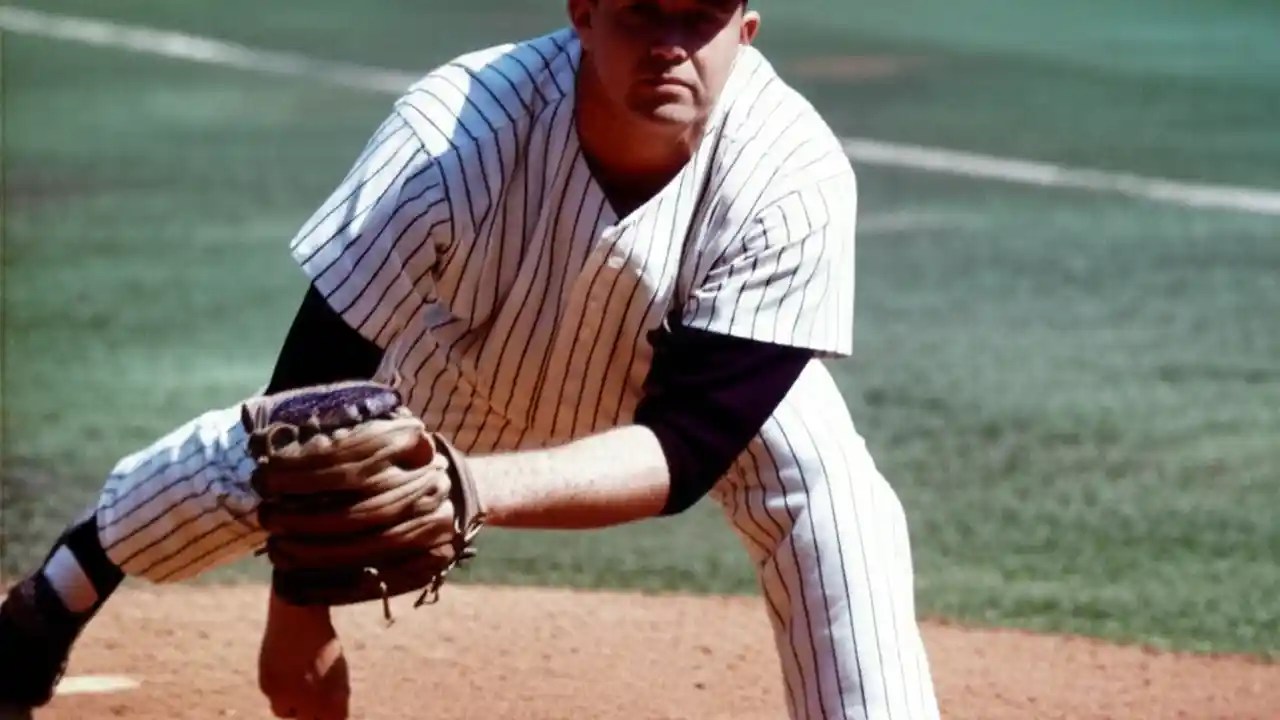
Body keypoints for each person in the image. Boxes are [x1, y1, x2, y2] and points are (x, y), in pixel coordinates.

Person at [0, 1, 941, 718]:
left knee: (830, 483)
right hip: (437, 384)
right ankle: (56, 595)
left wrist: (476, 489)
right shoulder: (454, 130)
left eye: (700, 14)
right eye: (642, 10)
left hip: (660, 398)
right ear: (581, 9)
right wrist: (300, 616)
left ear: (747, 25)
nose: (671, 41)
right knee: (261, 454)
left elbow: (689, 444)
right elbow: (315, 378)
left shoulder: (794, 173)